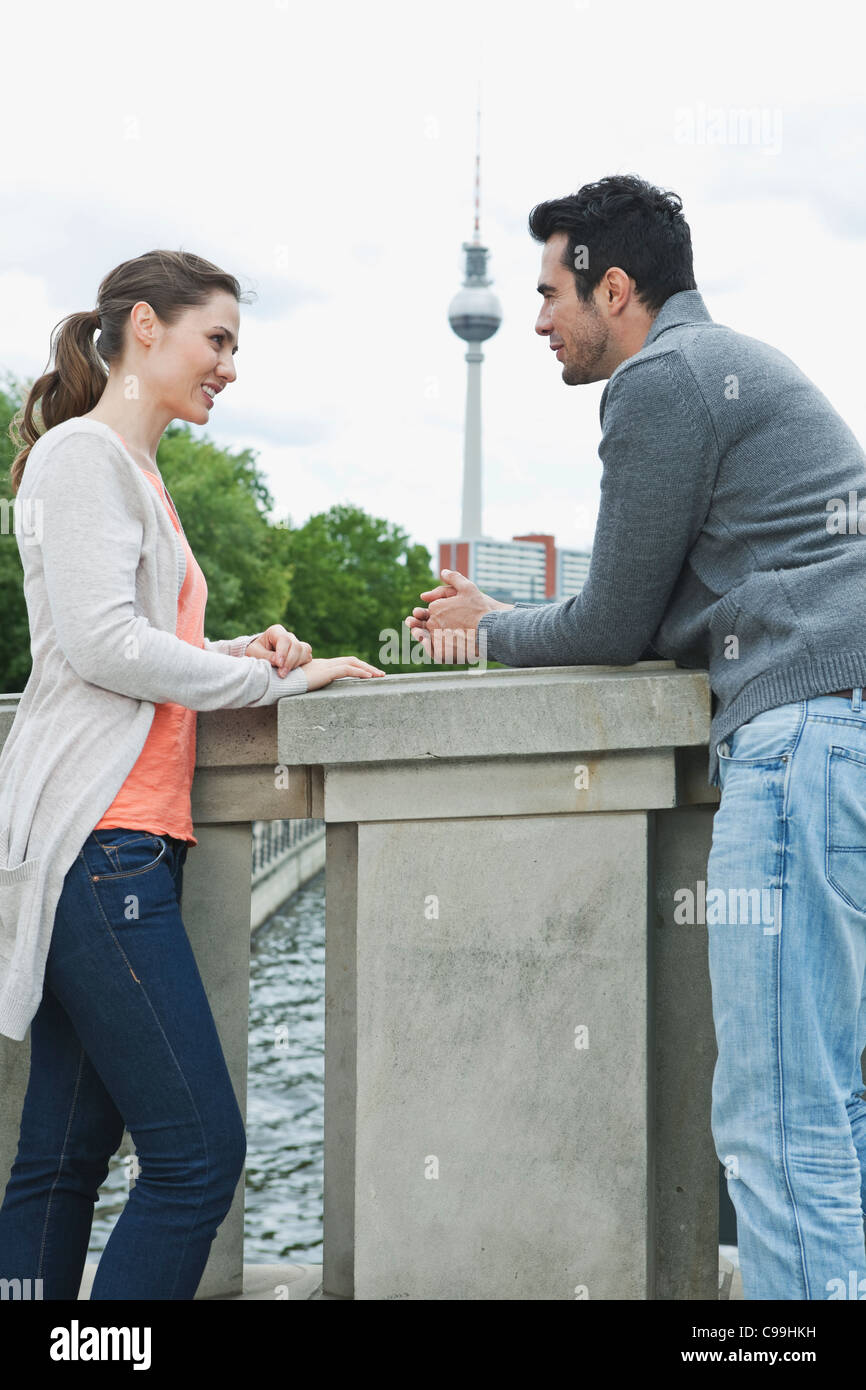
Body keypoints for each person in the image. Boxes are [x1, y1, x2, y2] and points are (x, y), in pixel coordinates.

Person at [404, 173, 866, 1300]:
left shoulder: (662, 379)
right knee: (830, 1104)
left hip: (800, 741)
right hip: (836, 731)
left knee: (774, 1116)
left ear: (612, 289)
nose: (538, 320)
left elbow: (611, 624)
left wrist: (482, 627)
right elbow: (656, 608)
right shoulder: (731, 366)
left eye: (548, 293)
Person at [0, 248, 385, 1300]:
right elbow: (102, 647)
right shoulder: (82, 457)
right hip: (97, 843)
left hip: (125, 843)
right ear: (144, 327)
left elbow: (136, 646)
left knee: (62, 1160)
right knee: (198, 1155)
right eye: (216, 339)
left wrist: (239, 653)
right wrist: (271, 685)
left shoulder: (133, 470)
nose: (229, 366)